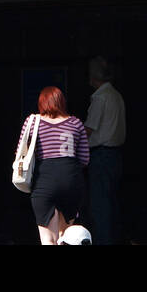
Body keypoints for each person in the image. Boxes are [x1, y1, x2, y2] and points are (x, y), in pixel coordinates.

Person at [17, 85, 89, 245]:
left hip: (44, 182)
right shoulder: (76, 123)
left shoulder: (32, 122)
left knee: (48, 240)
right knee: (66, 238)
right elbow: (84, 159)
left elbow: (20, 153)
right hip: (71, 181)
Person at [83, 55, 126, 245]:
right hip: (115, 154)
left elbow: (88, 129)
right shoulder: (116, 95)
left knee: (100, 205)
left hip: (101, 155)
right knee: (111, 203)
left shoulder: (100, 97)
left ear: (94, 77)